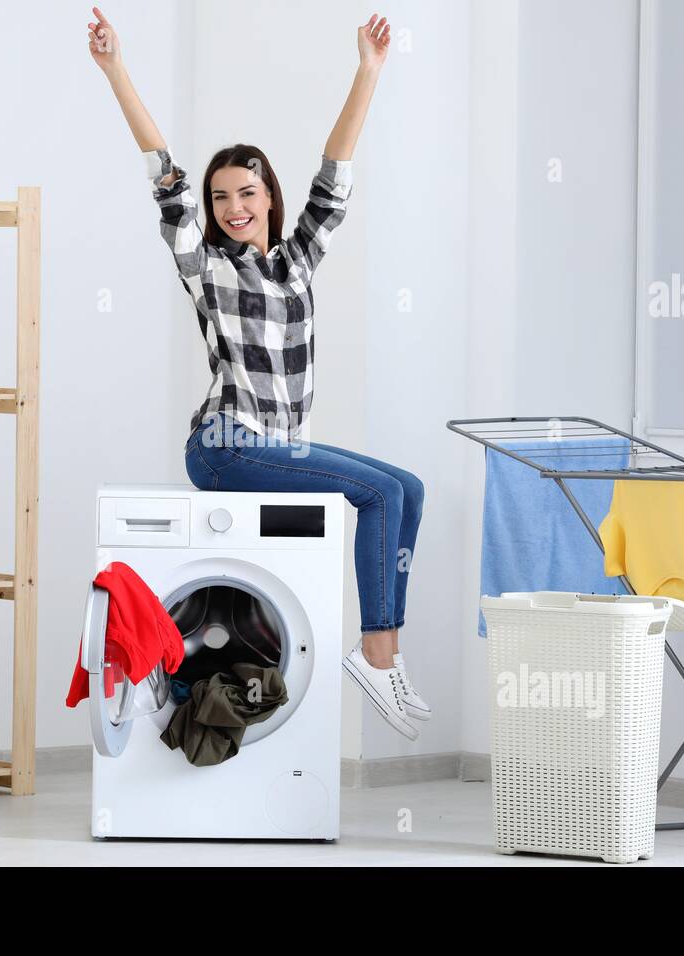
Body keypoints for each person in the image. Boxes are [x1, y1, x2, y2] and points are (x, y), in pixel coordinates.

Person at [88, 7, 429, 739]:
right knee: (376, 492)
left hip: (278, 448)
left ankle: (384, 653)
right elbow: (163, 174)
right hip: (226, 445)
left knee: (407, 488)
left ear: (269, 196)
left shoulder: (298, 261)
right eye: (221, 198)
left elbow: (334, 175)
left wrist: (368, 73)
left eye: (246, 192)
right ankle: (375, 653)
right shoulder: (206, 266)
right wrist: (117, 70)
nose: (234, 207)